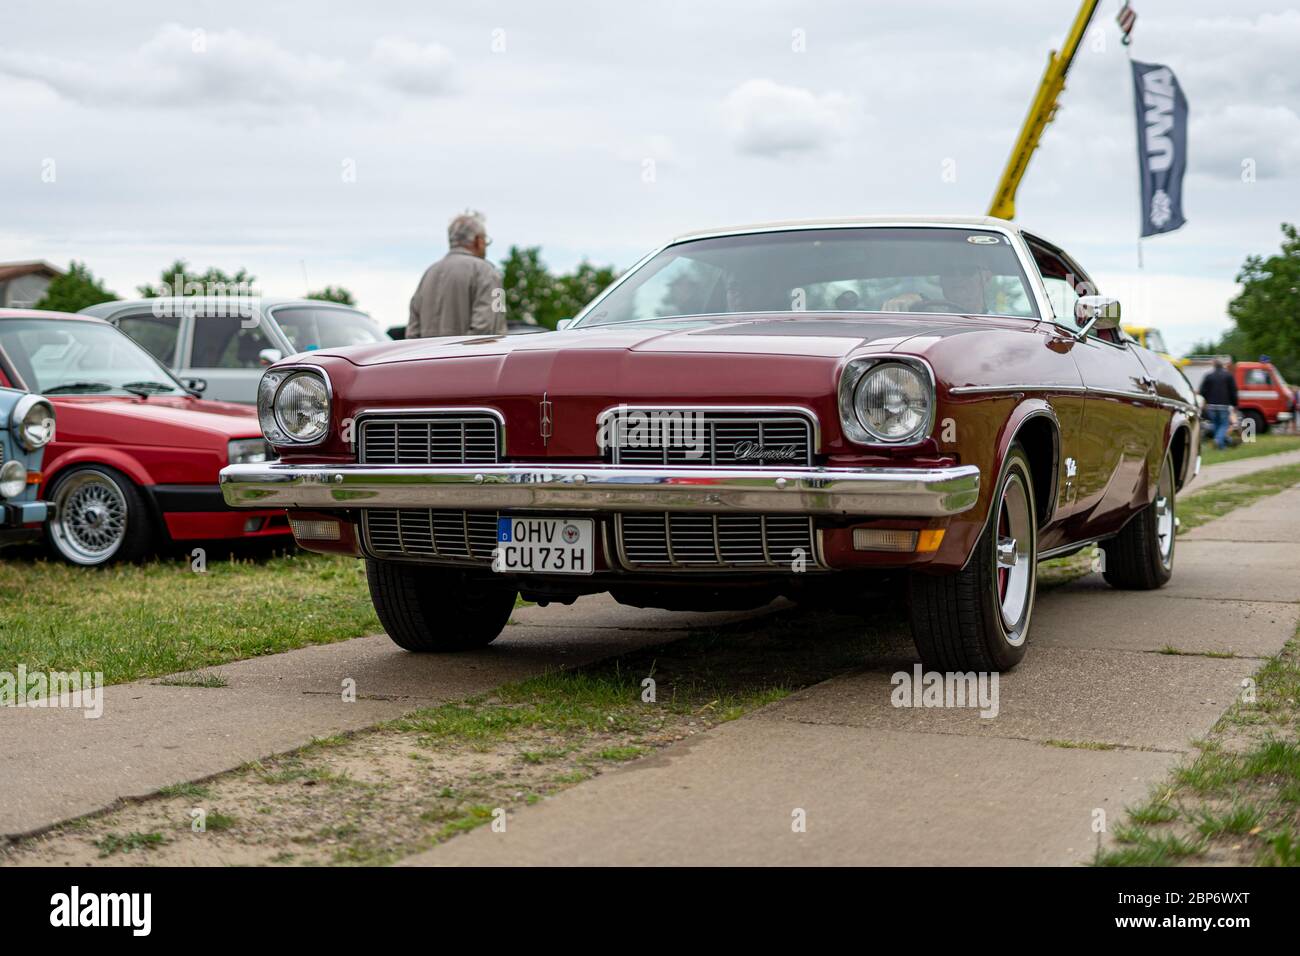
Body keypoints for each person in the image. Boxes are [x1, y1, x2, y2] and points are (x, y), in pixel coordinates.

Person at [407, 211, 506, 338]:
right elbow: (488, 328)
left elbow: (412, 332)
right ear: (478, 241)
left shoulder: (429, 273)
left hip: (427, 356)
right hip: (468, 357)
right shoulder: (487, 272)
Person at [1199, 359, 1238, 449]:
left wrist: (1207, 400)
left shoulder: (1208, 376)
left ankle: (1225, 443)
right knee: (1224, 425)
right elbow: (1233, 391)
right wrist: (1235, 404)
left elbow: (1202, 391)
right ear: (1222, 366)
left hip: (1211, 406)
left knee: (1216, 425)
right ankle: (1218, 441)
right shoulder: (1228, 376)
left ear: (1214, 366)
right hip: (1223, 405)